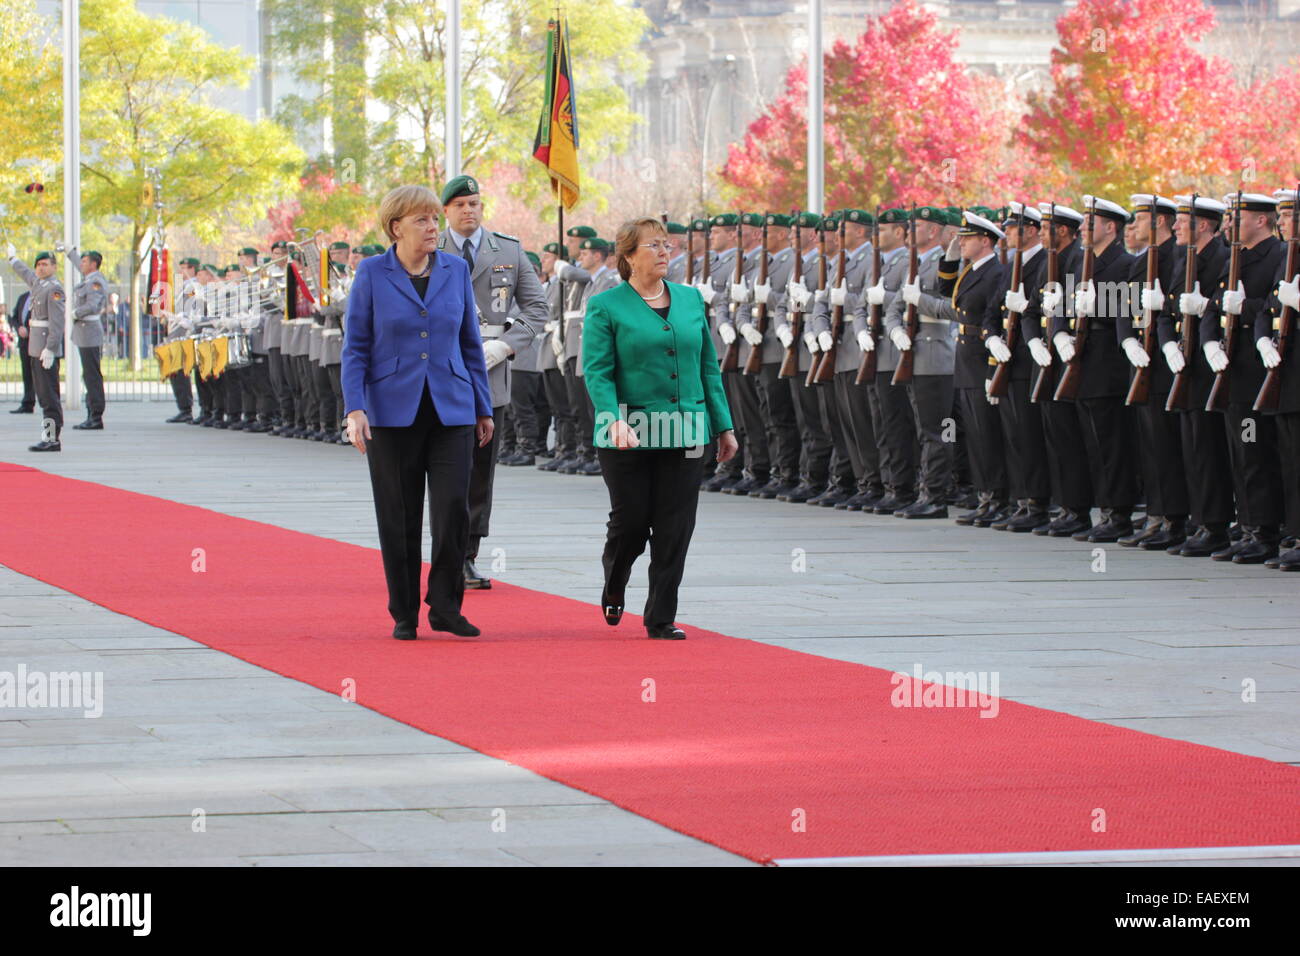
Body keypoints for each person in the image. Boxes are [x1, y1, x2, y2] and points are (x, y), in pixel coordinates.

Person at [341, 185, 493, 641]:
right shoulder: (371, 273)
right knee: (398, 514)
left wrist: (483, 406)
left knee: (452, 511)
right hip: (391, 412)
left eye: (433, 219)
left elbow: (470, 342)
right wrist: (355, 408)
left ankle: (445, 605)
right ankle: (404, 611)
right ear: (396, 228)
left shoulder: (454, 269)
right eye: (422, 220)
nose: (433, 227)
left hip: (453, 409)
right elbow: (356, 348)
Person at [582, 216, 737, 640]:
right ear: (628, 257)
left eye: (666, 245)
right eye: (653, 246)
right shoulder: (606, 306)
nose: (665, 252)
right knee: (630, 524)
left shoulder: (689, 300)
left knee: (675, 526)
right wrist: (612, 418)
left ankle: (660, 615)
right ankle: (615, 581)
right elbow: (598, 372)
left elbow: (707, 366)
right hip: (628, 432)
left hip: (687, 431)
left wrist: (723, 426)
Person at [435, 173, 545, 589]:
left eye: (475, 204)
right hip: (439, 373)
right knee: (444, 469)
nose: (469, 211)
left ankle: (467, 555)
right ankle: (441, 551)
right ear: (446, 211)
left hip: (490, 373)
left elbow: (537, 309)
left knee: (480, 471)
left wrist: (505, 347)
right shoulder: (431, 246)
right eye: (460, 205)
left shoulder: (510, 252)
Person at [5, 246, 65, 451]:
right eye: (38, 265)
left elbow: (57, 323)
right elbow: (25, 272)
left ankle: (52, 439)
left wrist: (50, 348)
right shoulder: (39, 284)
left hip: (45, 350)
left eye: (45, 264)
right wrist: (13, 258)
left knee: (49, 397)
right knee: (42, 395)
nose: (40, 268)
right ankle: (49, 437)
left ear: (54, 267)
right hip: (35, 348)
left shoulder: (54, 289)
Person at [61, 245, 109, 429]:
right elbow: (77, 264)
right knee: (88, 375)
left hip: (89, 331)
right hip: (84, 332)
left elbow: (92, 305)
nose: (81, 263)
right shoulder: (89, 278)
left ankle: (96, 416)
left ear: (94, 264)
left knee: (92, 375)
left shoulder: (95, 282)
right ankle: (92, 414)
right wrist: (69, 252)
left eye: (84, 261)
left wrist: (74, 313)